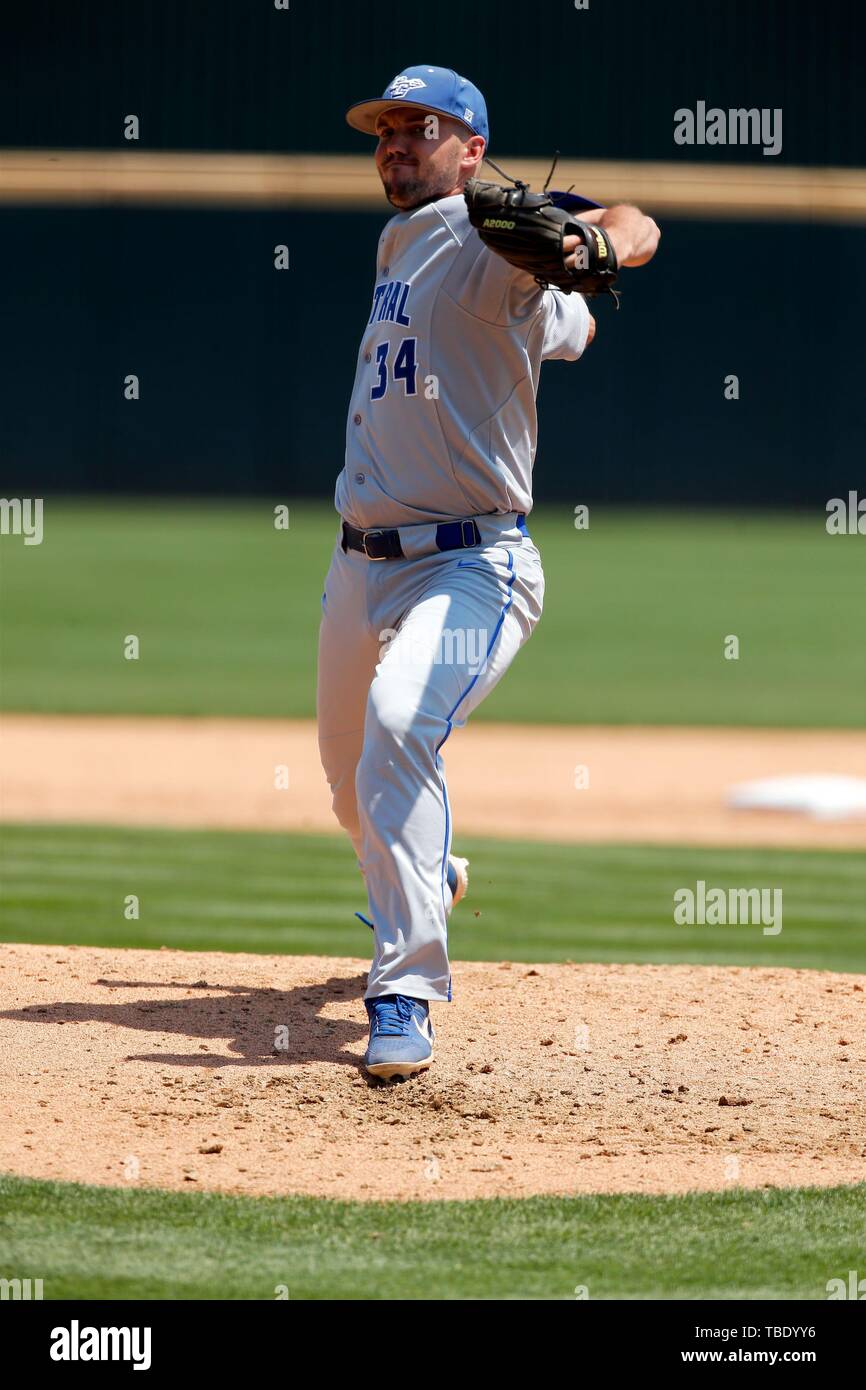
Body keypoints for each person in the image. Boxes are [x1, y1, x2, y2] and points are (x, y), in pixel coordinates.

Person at [317, 65, 660, 1080]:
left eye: (418, 128)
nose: (393, 143)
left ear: (472, 149)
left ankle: (405, 993)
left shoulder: (490, 237)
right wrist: (569, 305)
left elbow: (627, 225)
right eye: (383, 130)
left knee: (396, 727)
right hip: (357, 568)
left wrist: (598, 241)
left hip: (471, 566)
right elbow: (572, 327)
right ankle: (435, 871)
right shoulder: (397, 244)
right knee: (349, 788)